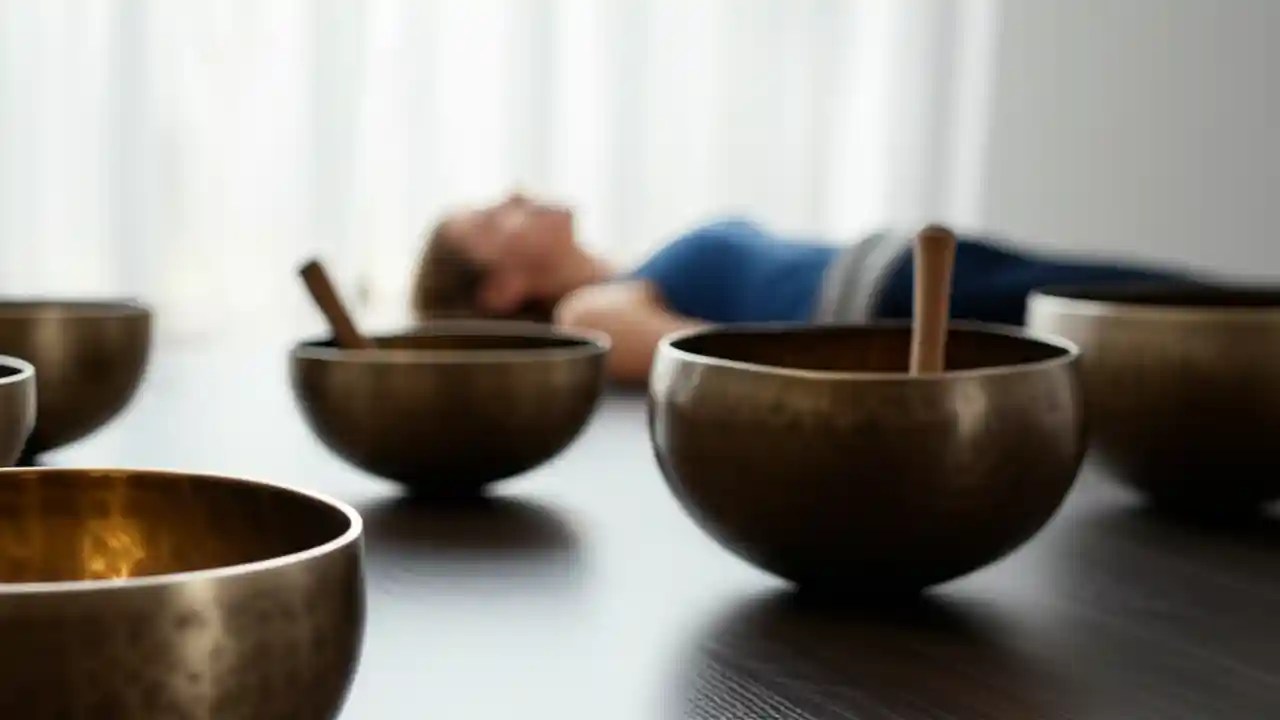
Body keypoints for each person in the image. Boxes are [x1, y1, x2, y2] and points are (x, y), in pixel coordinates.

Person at [413, 193, 1190, 383]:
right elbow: (706, 368)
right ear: (501, 291)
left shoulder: (628, 277)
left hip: (913, 278)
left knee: (1169, 310)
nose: (516, 194)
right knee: (1179, 321)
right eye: (495, 217)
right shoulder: (595, 307)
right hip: (898, 305)